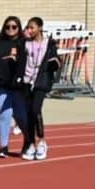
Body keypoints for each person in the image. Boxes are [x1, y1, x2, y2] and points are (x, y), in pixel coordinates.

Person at [0, 16, 29, 159]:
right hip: (0, 84)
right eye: (8, 26)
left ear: (19, 28)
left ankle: (28, 140)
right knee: (5, 114)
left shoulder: (24, 44)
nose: (11, 29)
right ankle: (3, 147)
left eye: (14, 26)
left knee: (20, 116)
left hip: (17, 86)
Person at [20, 16, 61, 162]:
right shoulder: (25, 43)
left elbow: (56, 59)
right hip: (26, 80)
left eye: (32, 27)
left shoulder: (49, 43)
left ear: (40, 27)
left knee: (36, 109)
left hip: (41, 80)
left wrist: (54, 63)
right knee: (28, 112)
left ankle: (42, 141)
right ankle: (31, 143)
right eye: (28, 28)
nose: (29, 30)